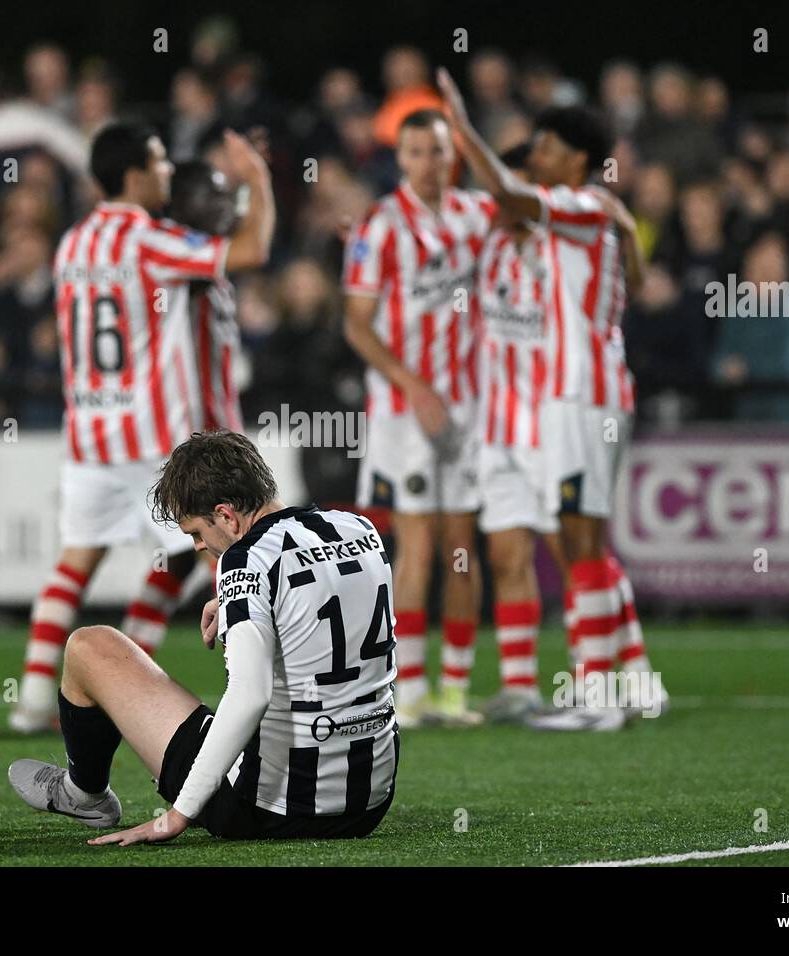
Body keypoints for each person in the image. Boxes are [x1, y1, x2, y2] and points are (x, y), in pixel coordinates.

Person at [8, 123, 274, 733]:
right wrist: (257, 178)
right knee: (225, 558)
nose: (165, 175)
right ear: (132, 175)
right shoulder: (151, 238)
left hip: (89, 436)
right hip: (154, 440)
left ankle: (30, 698)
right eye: (157, 163)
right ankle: (249, 694)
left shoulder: (72, 243)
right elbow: (251, 253)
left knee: (75, 565)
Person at [8, 430, 399, 843]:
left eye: (196, 532)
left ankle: (83, 793)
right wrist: (236, 599)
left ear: (227, 516)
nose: (197, 547)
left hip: (267, 809)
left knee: (90, 646)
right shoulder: (358, 529)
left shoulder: (245, 559)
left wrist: (178, 814)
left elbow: (250, 696)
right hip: (369, 802)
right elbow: (321, 598)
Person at [437, 69, 664, 729]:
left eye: (547, 145)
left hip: (576, 395)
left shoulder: (585, 208)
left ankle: (606, 694)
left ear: (576, 157)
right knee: (578, 539)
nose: (537, 155)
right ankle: (599, 692)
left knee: (580, 543)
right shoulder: (590, 219)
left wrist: (462, 126)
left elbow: (509, 190)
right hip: (564, 400)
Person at [342, 108, 496, 727]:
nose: (427, 164)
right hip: (405, 411)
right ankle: (407, 694)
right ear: (400, 159)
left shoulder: (476, 215)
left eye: (437, 150)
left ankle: (455, 690)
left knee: (464, 545)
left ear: (452, 154)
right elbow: (355, 322)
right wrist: (412, 385)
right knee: (419, 547)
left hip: (468, 405)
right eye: (415, 152)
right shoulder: (379, 225)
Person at [118, 159, 243, 660]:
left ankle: (126, 659)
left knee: (181, 557)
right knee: (232, 551)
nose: (224, 206)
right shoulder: (182, 270)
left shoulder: (208, 269)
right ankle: (255, 678)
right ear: (184, 207)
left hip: (217, 430)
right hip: (197, 434)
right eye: (212, 196)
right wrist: (253, 174)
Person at [473, 142, 570, 722]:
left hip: (553, 423)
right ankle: (520, 684)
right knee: (508, 558)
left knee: (571, 555)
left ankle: (599, 679)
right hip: (498, 428)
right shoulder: (487, 248)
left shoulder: (560, 246)